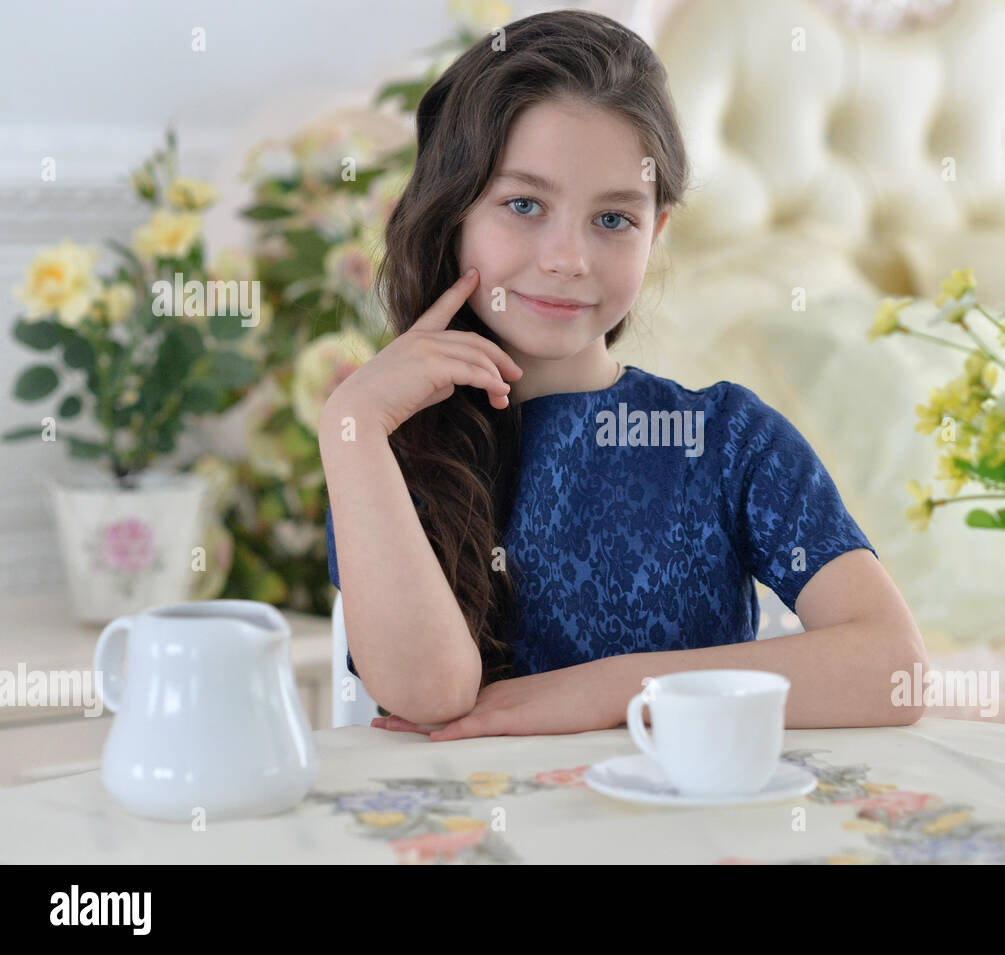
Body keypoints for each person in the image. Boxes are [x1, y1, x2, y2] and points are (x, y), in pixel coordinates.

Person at [320, 9, 927, 741]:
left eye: (613, 220)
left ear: (656, 232)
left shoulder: (728, 439)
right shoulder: (389, 450)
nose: (568, 258)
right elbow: (432, 693)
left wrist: (613, 689)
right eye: (523, 205)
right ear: (451, 215)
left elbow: (896, 667)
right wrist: (348, 427)